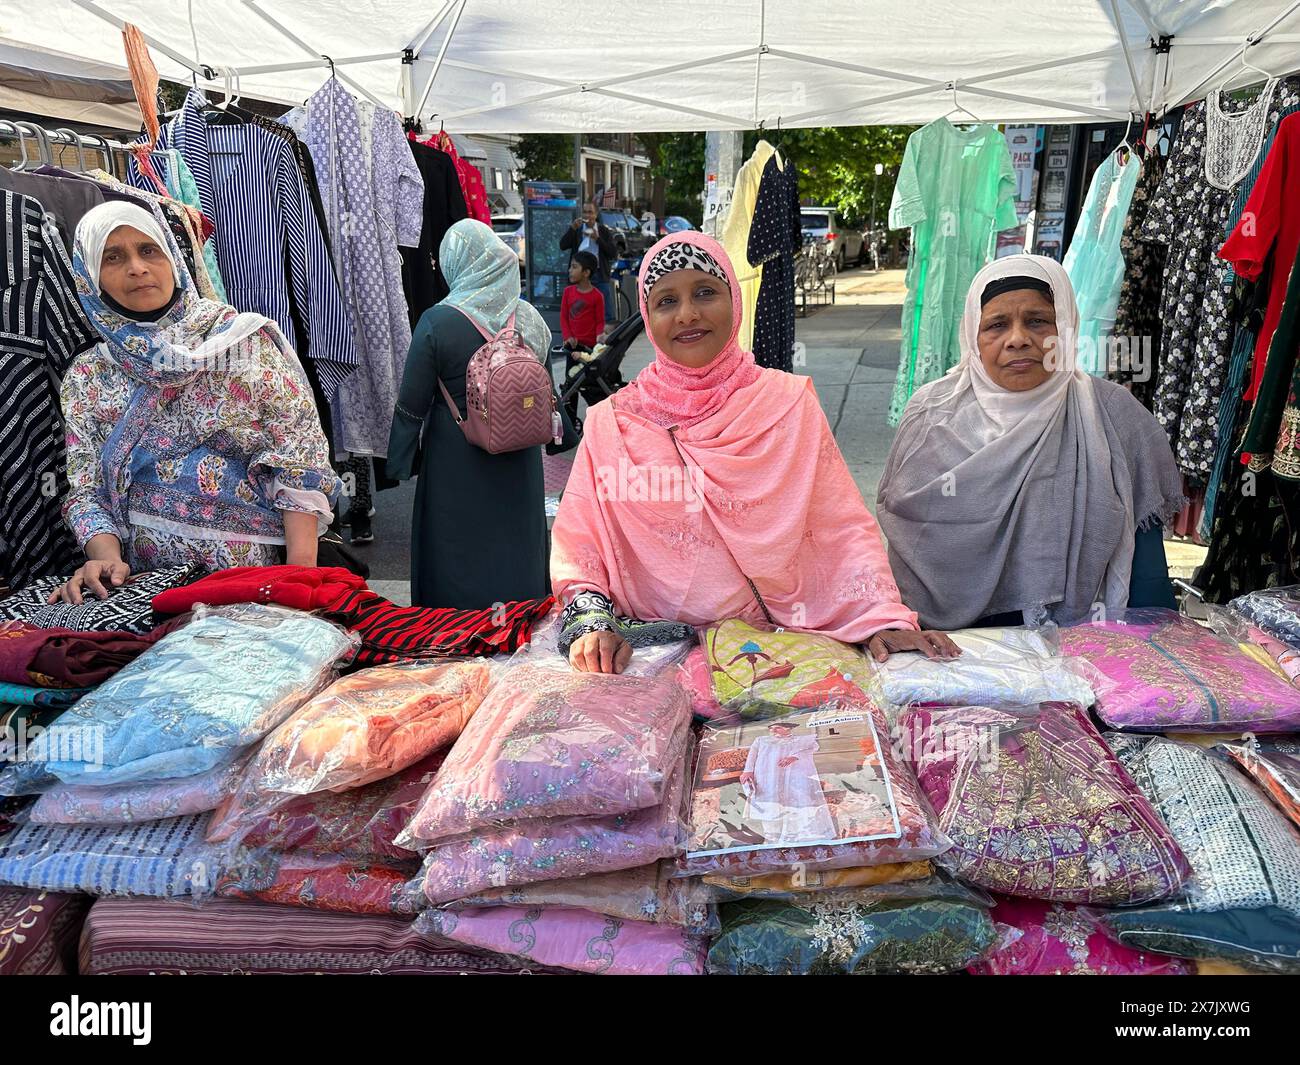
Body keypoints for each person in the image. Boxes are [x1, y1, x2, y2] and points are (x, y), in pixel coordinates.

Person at [550, 230, 959, 673]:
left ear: (735, 300)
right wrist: (590, 624)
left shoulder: (786, 403)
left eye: (705, 292)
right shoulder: (615, 422)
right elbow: (580, 545)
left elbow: (838, 526)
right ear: (647, 317)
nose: (687, 314)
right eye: (666, 301)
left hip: (784, 653)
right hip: (655, 653)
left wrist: (878, 617)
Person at [50, 202, 338, 605]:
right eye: (112, 257)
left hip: (259, 579)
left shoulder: (238, 342)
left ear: (173, 258)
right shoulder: (90, 373)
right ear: (88, 278)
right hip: (148, 589)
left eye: (149, 250)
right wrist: (107, 560)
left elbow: (298, 458)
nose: (136, 267)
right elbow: (86, 487)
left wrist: (299, 576)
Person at [876, 254, 1185, 631]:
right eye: (996, 325)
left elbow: (1147, 571)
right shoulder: (932, 415)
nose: (1018, 340)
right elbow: (908, 540)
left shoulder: (1114, 415)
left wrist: (1154, 643)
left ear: (1066, 328)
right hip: (946, 645)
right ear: (972, 334)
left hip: (1078, 645)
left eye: (1038, 321)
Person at [388, 219, 576, 610]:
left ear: (457, 263)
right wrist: (565, 440)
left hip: (456, 458)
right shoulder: (529, 319)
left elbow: (412, 403)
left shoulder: (437, 322)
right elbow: (548, 391)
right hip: (519, 458)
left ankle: (454, 625)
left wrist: (400, 461)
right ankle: (520, 616)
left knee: (454, 545)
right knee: (517, 540)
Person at [740, 720, 836, 846]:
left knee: (794, 804)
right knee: (769, 805)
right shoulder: (761, 740)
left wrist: (794, 757)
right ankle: (771, 836)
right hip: (768, 777)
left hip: (793, 777)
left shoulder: (799, 740)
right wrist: (748, 771)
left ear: (788, 729)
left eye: (778, 728)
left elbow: (811, 748)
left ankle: (795, 835)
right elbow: (752, 756)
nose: (773, 731)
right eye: (771, 728)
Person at [559, 250, 606, 431]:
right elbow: (564, 318)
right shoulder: (568, 292)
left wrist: (600, 334)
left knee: (587, 383)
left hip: (589, 349)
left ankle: (596, 414)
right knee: (571, 382)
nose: (570, 270)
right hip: (573, 347)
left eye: (574, 267)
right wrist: (567, 337)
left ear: (586, 273)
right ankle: (570, 422)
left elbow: (600, 320)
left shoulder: (597, 296)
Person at [559, 202, 617, 323]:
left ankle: (604, 337)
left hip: (599, 275)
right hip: (580, 276)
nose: (587, 215)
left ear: (596, 215)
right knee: (578, 312)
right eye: (585, 212)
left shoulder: (603, 231)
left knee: (606, 313)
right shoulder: (578, 229)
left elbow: (612, 253)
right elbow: (563, 245)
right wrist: (572, 229)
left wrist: (598, 239)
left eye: (590, 212)